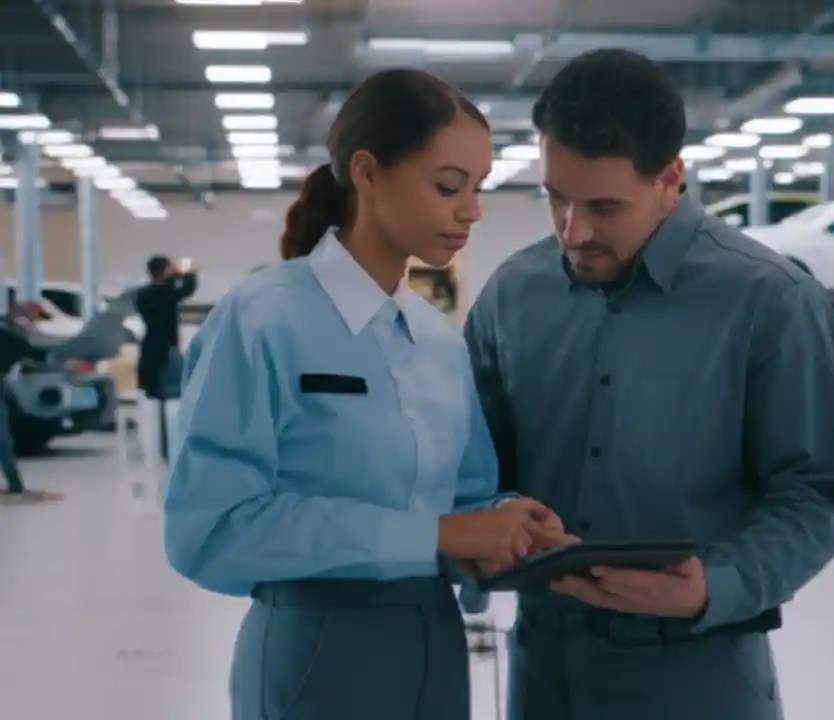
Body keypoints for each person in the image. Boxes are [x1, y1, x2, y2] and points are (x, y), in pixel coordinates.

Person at [162, 68, 571, 720]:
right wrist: (436, 533)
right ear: (368, 173)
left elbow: (464, 497)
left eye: (477, 188)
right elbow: (212, 530)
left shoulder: (438, 342)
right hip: (318, 653)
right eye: (448, 186)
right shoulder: (264, 318)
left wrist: (508, 519)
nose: (471, 210)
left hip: (436, 648)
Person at [465, 49, 834, 720]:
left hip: (700, 677)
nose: (573, 231)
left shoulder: (768, 300)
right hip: (544, 678)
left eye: (604, 206)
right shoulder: (512, 296)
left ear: (672, 177)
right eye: (556, 199)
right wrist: (496, 512)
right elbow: (470, 466)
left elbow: (811, 495)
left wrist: (716, 585)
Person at [135, 254, 198, 462]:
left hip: (150, 350)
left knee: (159, 401)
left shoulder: (143, 294)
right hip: (168, 350)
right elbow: (187, 288)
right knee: (178, 396)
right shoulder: (166, 293)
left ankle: (163, 448)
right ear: (164, 271)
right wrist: (187, 273)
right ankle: (175, 447)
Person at [0, 303, 62, 504]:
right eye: (34, 320)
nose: (35, 326)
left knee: (4, 438)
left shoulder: (11, 334)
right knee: (3, 439)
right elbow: (36, 352)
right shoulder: (14, 337)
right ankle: (15, 485)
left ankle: (15, 484)